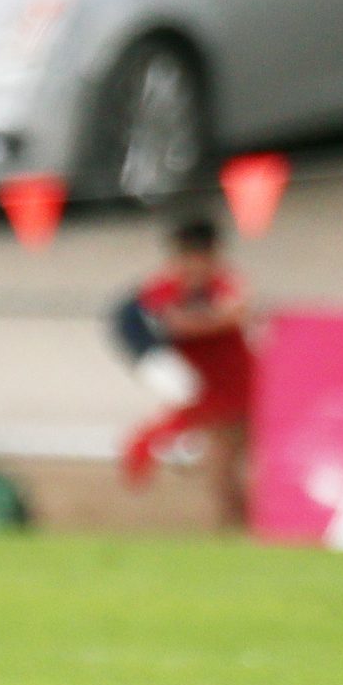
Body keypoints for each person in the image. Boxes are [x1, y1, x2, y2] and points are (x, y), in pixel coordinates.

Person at [116, 217, 256, 529]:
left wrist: (194, 321)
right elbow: (169, 323)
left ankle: (247, 529)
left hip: (240, 387)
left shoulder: (225, 284)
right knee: (220, 469)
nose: (193, 268)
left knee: (231, 467)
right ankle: (239, 530)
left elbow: (231, 313)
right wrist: (208, 320)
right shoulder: (164, 289)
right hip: (208, 392)